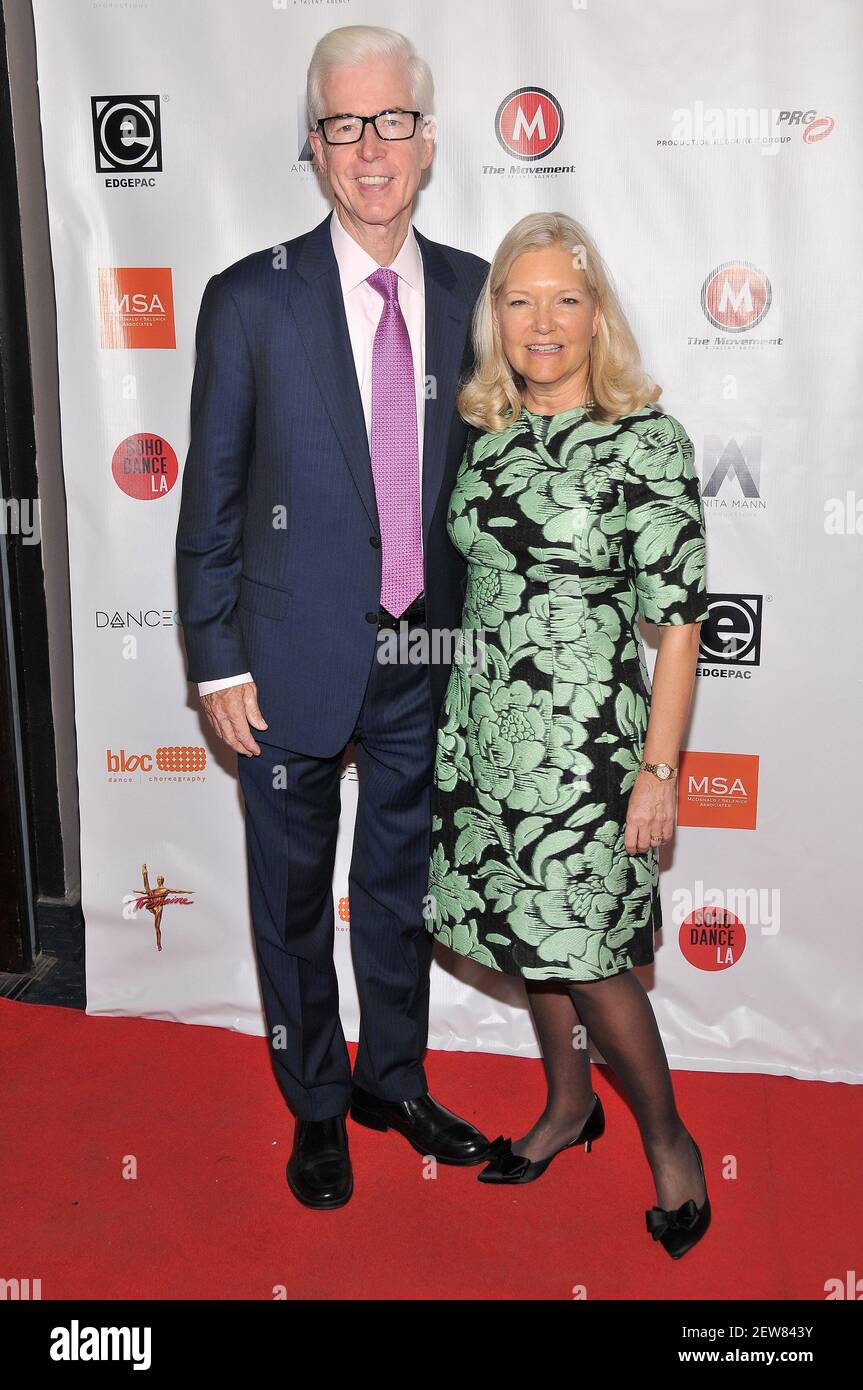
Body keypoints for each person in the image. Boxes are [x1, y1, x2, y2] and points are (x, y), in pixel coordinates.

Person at [176, 24, 492, 1210]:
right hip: (287, 657)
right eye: (344, 125)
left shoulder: (475, 294)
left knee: (402, 886)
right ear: (312, 147)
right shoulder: (245, 300)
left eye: (392, 122)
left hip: (429, 657)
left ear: (426, 140)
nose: (371, 149)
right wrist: (214, 662)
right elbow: (208, 493)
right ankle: (316, 1102)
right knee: (293, 899)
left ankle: (390, 1078)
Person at [426, 212, 712, 1258]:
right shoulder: (483, 430)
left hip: (586, 748)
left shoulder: (646, 440)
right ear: (492, 316)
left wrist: (658, 771)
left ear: (597, 317)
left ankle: (670, 1141)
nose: (540, 322)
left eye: (564, 299)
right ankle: (561, 1108)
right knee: (524, 940)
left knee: (589, 956)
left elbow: (676, 627)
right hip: (483, 732)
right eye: (517, 299)